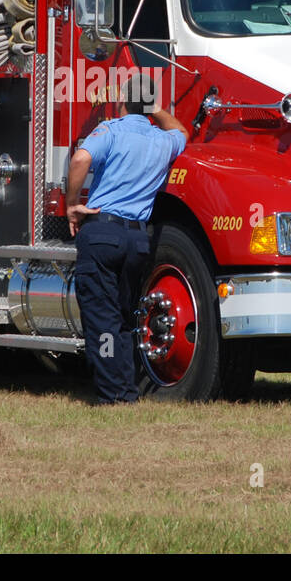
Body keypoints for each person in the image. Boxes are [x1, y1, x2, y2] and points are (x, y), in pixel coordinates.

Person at [66, 70, 188, 405]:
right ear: (149, 107)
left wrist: (72, 203)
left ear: (121, 101)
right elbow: (181, 131)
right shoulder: (162, 140)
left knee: (102, 321)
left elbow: (80, 158)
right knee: (122, 318)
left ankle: (111, 395)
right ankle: (126, 391)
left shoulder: (111, 130)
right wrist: (155, 108)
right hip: (137, 241)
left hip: (103, 234)